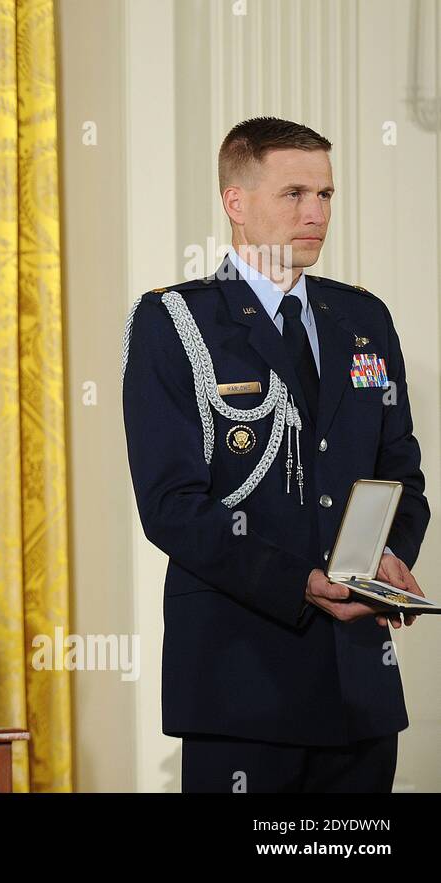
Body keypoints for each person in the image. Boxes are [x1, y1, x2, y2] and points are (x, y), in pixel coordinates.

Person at [122, 118, 429, 793]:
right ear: (236, 202)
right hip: (243, 688)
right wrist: (300, 581)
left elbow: (402, 476)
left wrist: (387, 557)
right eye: (294, 193)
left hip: (359, 689)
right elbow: (172, 506)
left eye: (325, 195)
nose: (315, 213)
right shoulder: (175, 323)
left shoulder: (363, 319)